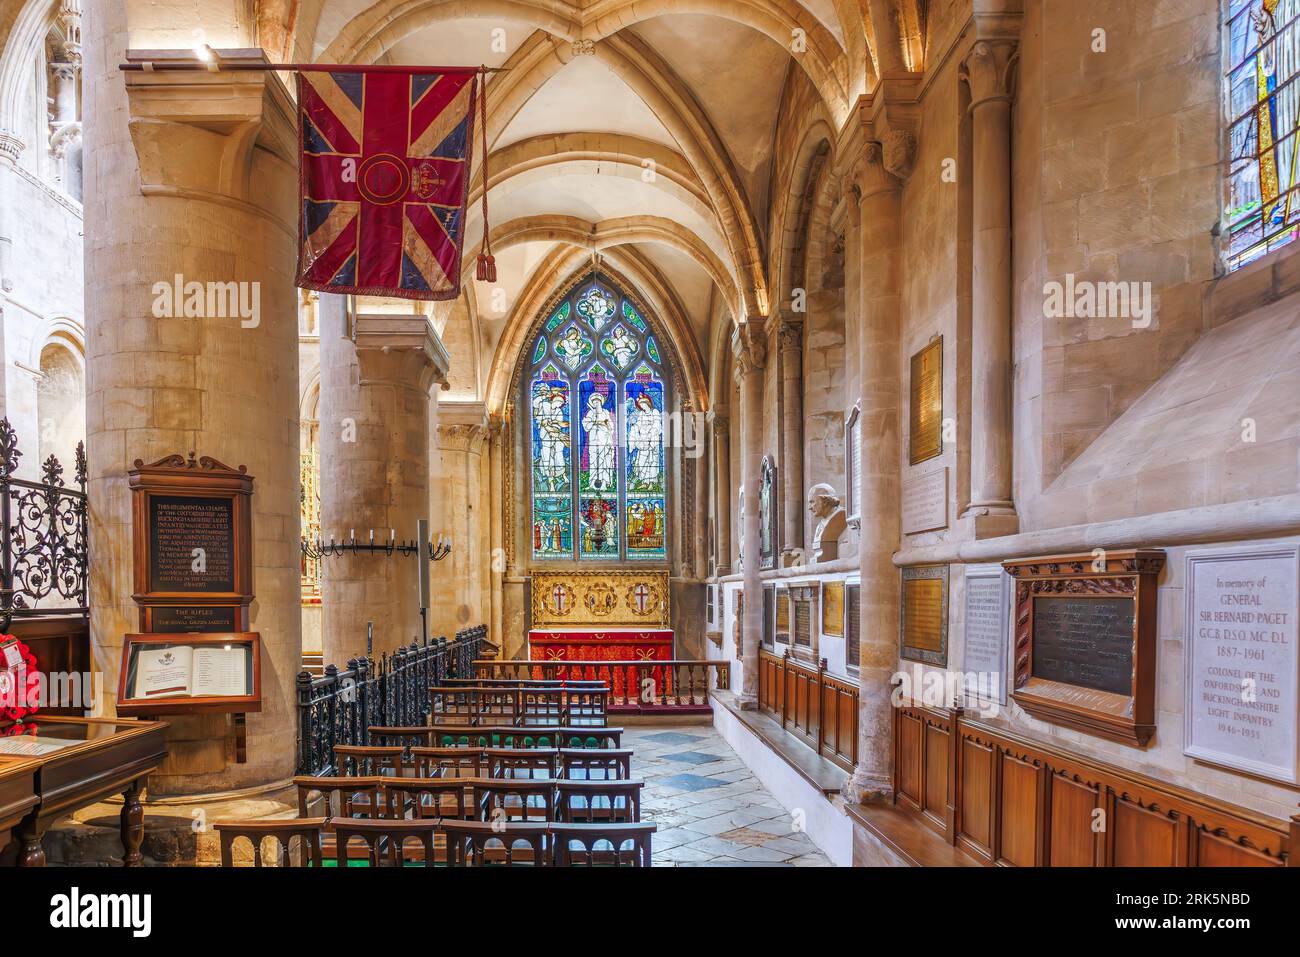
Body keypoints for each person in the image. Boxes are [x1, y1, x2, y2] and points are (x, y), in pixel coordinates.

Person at [582, 392, 616, 491]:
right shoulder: (590, 413)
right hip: (593, 440)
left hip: (604, 440)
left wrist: (605, 424)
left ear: (601, 402)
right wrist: (594, 421)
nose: (596, 403)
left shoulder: (605, 412)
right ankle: (592, 483)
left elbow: (610, 427)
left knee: (604, 461)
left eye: (598, 401)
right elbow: (586, 426)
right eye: (594, 402)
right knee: (593, 461)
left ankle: (604, 483)